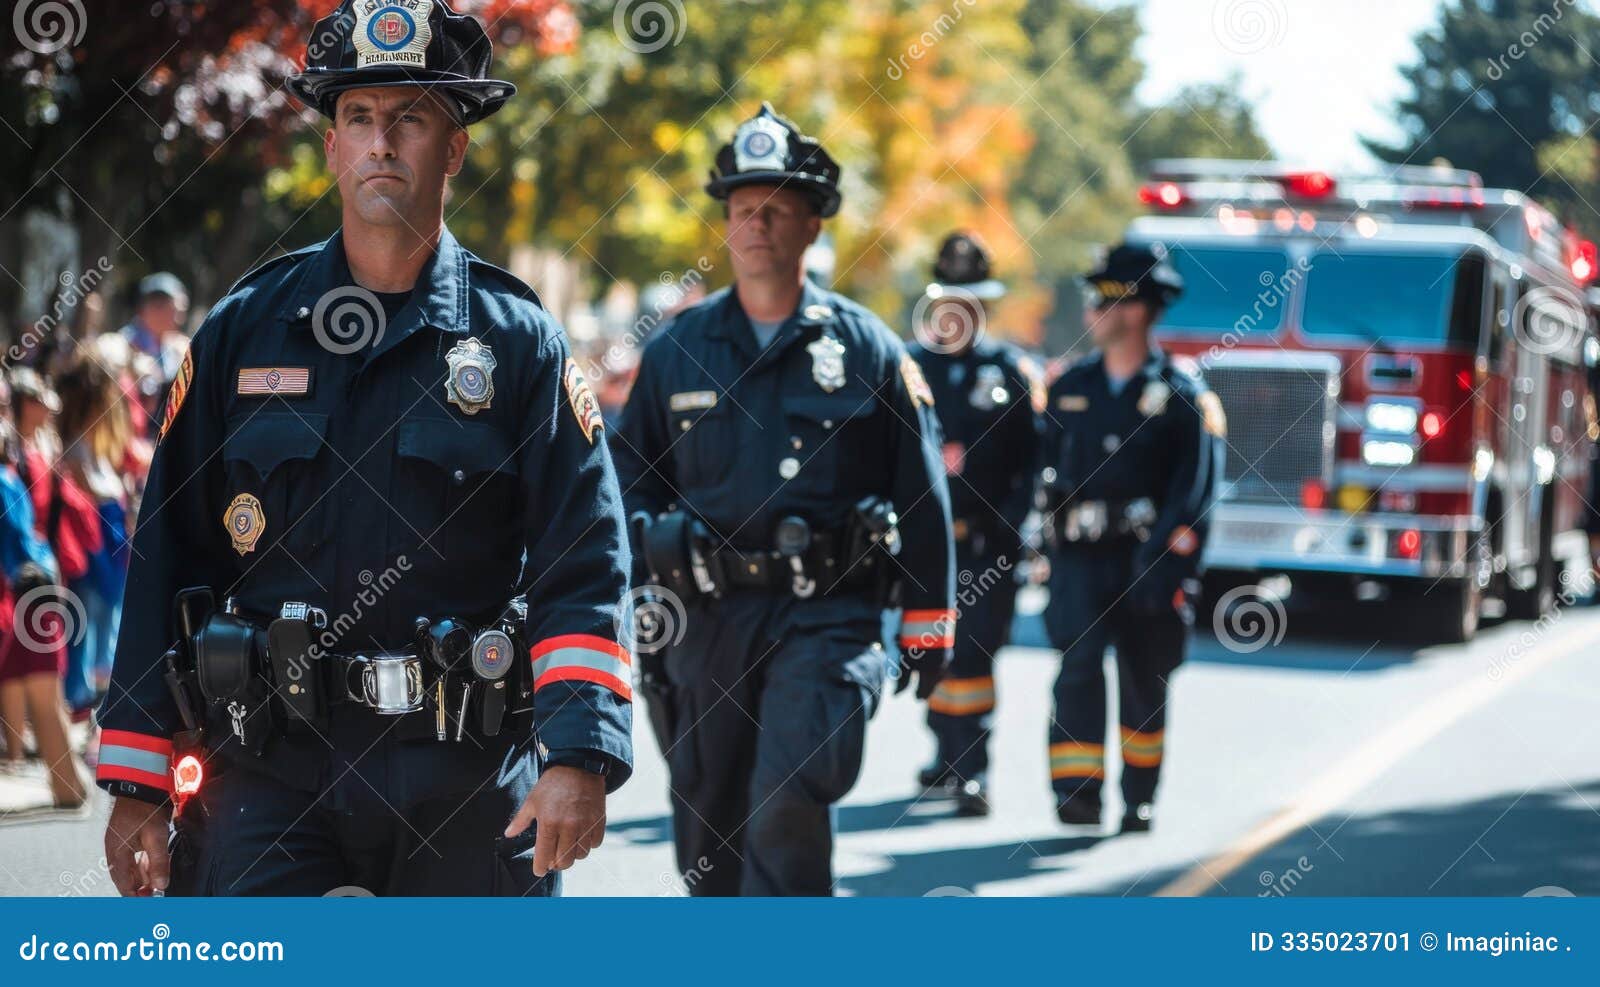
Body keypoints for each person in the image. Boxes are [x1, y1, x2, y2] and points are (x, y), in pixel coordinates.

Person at [95, 0, 632, 897]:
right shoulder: (242, 331)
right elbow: (164, 555)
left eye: (411, 118)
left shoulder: (518, 345)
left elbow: (585, 558)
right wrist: (137, 777)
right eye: (358, 117)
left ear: (453, 149)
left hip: (461, 771)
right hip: (268, 771)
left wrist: (579, 751)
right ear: (334, 146)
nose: (382, 141)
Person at [612, 103, 956, 896]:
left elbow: (923, 489)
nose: (756, 225)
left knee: (785, 801)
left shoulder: (868, 348)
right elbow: (625, 483)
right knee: (711, 828)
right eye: (741, 211)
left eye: (776, 211)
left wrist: (929, 627)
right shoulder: (675, 350)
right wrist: (649, 544)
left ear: (812, 227)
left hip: (828, 619)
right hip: (704, 627)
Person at [1038, 243, 1224, 833]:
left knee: (1145, 679)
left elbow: (1194, 492)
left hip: (1148, 560)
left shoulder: (1182, 394)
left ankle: (1138, 794)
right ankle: (1077, 794)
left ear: (1137, 310)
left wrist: (1170, 565)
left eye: (1104, 301)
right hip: (1080, 560)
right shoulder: (1070, 386)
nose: (1092, 312)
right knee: (1078, 671)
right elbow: (1042, 474)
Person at [908, 232, 1041, 817]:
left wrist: (1011, 532)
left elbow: (1033, 464)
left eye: (970, 299)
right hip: (926, 544)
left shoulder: (1010, 372)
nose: (958, 310)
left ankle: (973, 769)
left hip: (987, 543)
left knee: (976, 654)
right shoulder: (912, 369)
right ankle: (944, 754)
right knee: (930, 648)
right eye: (949, 298)